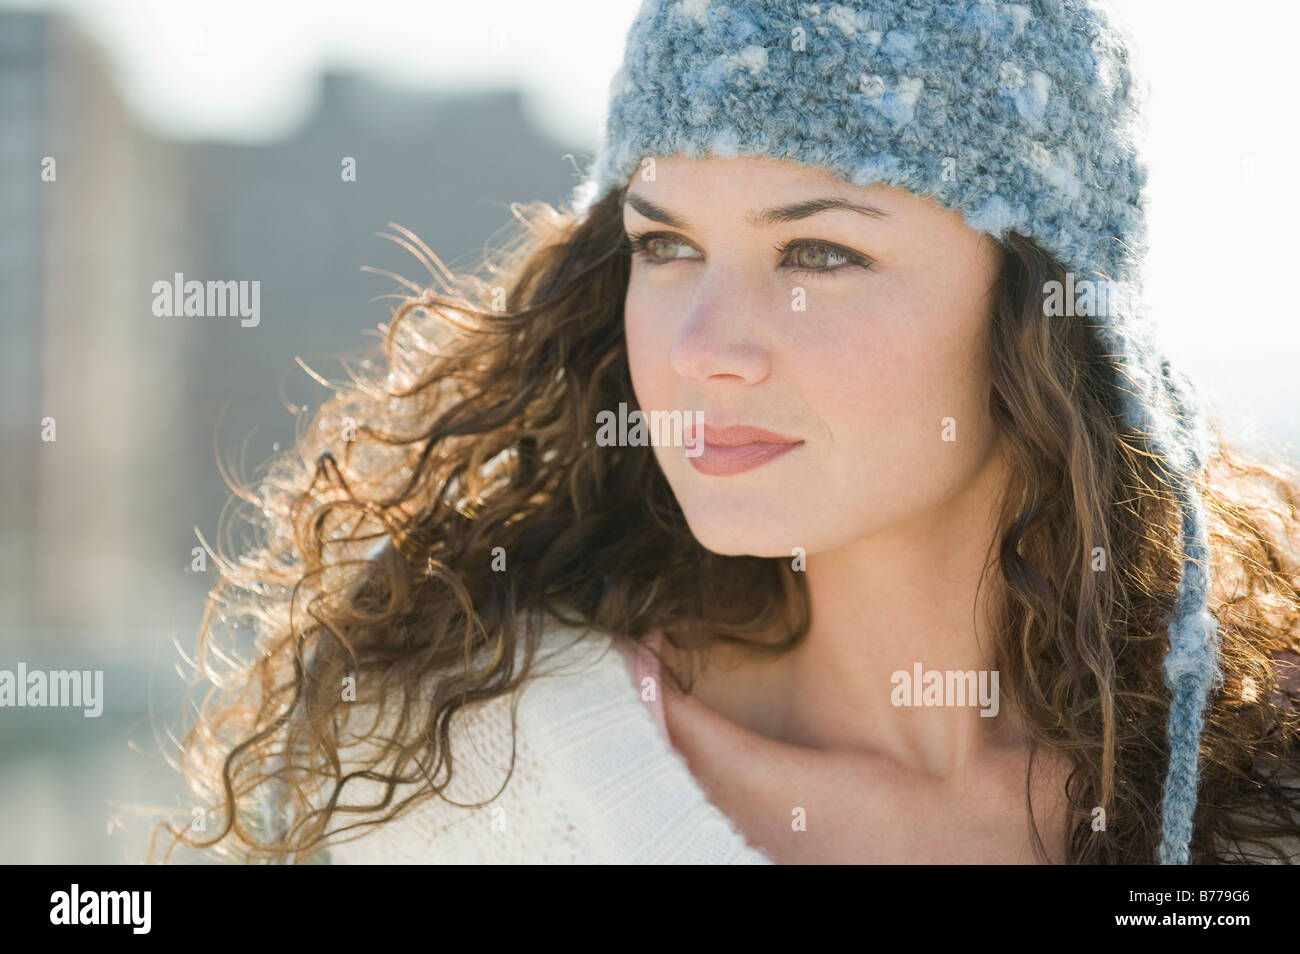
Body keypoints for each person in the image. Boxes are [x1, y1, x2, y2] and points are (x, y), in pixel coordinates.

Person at [156, 0, 1300, 864]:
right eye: (664, 246)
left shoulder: (1254, 790)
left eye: (817, 254)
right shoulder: (454, 782)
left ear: (1045, 312)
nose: (704, 343)